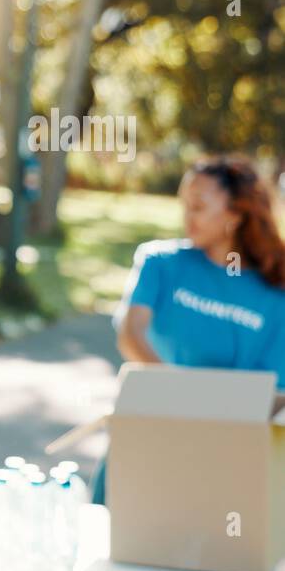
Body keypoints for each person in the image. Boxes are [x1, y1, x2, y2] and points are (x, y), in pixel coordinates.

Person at [97, 156, 285, 504]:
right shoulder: (159, 263)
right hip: (149, 433)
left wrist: (203, 409)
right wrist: (179, 395)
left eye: (198, 206)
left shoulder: (276, 293)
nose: (187, 216)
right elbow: (131, 334)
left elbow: (274, 393)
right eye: (184, 204)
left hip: (226, 459)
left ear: (235, 214)